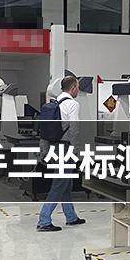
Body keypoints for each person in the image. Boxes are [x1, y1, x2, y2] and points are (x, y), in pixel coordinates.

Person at [37, 75, 86, 232]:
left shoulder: (52, 104)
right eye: (77, 87)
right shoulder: (72, 104)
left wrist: (44, 150)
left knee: (66, 184)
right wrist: (75, 152)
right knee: (59, 185)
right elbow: (74, 129)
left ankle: (71, 217)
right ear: (73, 88)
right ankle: (44, 220)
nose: (78, 90)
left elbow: (44, 131)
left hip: (53, 148)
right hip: (65, 150)